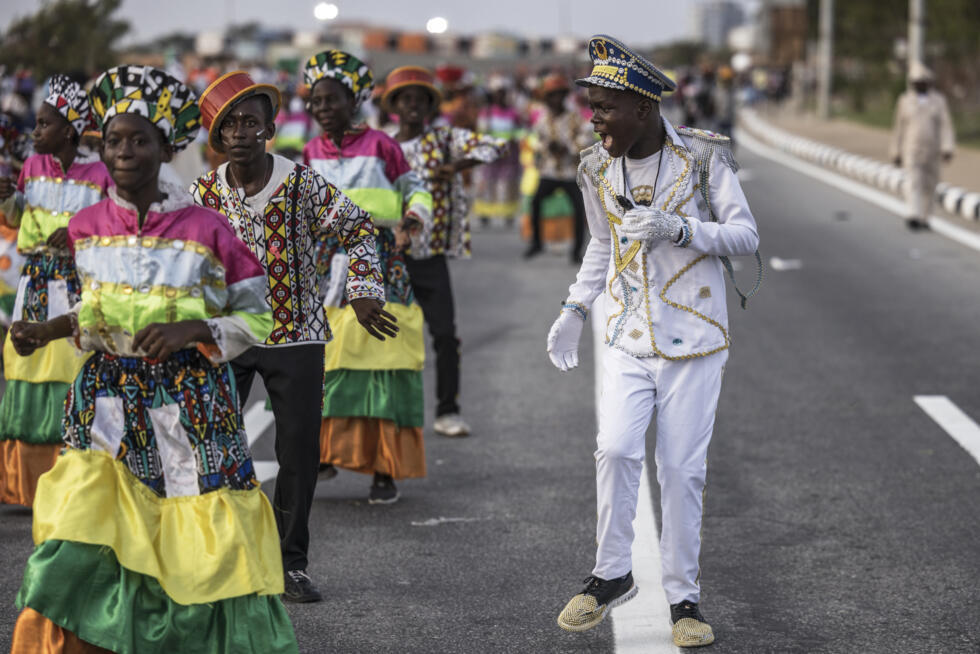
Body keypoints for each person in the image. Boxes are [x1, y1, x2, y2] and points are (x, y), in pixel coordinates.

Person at [8, 65, 297, 653]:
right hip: (106, 402)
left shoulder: (208, 229)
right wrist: (46, 330)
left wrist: (199, 327)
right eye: (114, 140)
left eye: (139, 140)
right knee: (91, 524)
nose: (124, 152)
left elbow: (261, 316)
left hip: (190, 403)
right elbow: (97, 315)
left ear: (167, 147)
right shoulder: (87, 228)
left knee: (195, 533)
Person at [548, 36, 759, 647]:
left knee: (681, 471)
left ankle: (684, 600)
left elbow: (744, 236)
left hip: (696, 339)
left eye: (606, 107)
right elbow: (601, 244)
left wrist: (681, 228)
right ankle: (611, 575)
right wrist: (574, 307)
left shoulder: (702, 158)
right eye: (592, 106)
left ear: (642, 107)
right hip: (627, 333)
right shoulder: (593, 166)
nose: (595, 119)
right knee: (614, 450)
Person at [190, 71, 389, 602]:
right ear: (216, 138)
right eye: (228, 124)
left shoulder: (300, 183)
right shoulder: (202, 193)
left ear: (270, 128)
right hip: (227, 337)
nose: (238, 132)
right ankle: (220, 555)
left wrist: (364, 289)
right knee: (211, 445)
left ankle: (290, 564)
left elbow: (359, 226)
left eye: (250, 122)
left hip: (296, 334)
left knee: (297, 453)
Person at [302, 50, 432, 504]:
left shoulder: (382, 145)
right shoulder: (311, 150)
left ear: (354, 101)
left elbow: (415, 187)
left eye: (331, 100)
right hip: (323, 261)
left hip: (377, 252)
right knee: (325, 354)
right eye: (315, 101)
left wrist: (413, 219)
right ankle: (324, 452)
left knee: (382, 353)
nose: (321, 109)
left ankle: (384, 469)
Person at [0, 74, 112, 507]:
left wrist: (78, 230)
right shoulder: (30, 167)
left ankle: (74, 483)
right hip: (34, 281)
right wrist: (7, 199)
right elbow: (17, 220)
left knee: (72, 370)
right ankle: (27, 486)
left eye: (44, 124)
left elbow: (110, 225)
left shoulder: (100, 172)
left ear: (69, 129)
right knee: (29, 368)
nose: (35, 131)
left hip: (78, 284)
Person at [384, 66, 507, 438]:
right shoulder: (383, 146)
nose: (414, 107)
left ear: (430, 106)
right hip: (392, 257)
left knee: (445, 336)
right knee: (390, 338)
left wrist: (454, 166)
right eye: (406, 100)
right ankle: (388, 413)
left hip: (432, 255)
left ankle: (447, 411)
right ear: (394, 106)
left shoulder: (443, 139)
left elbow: (493, 146)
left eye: (421, 101)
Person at [524, 73, 593, 263]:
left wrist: (569, 148)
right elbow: (535, 140)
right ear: (546, 98)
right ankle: (537, 242)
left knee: (580, 210)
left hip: (571, 173)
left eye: (559, 95)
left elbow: (587, 138)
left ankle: (576, 252)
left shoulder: (575, 117)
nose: (555, 99)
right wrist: (546, 147)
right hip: (550, 171)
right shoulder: (543, 119)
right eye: (551, 95)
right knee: (535, 202)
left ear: (564, 96)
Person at [889, 61, 956, 231]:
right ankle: (913, 215)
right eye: (915, 82)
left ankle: (925, 217)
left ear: (928, 82)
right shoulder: (904, 101)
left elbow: (945, 125)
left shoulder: (938, 101)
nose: (918, 85)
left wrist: (947, 148)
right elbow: (898, 128)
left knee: (930, 184)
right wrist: (895, 151)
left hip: (932, 150)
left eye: (921, 82)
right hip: (911, 148)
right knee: (913, 181)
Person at [472, 75, 523, 226]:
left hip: (509, 155)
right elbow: (481, 133)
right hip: (491, 155)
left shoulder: (513, 113)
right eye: (497, 92)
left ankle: (508, 213)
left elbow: (520, 131)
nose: (500, 95)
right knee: (488, 182)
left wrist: (514, 139)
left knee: (508, 183)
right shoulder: (486, 113)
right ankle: (485, 212)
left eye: (503, 92)